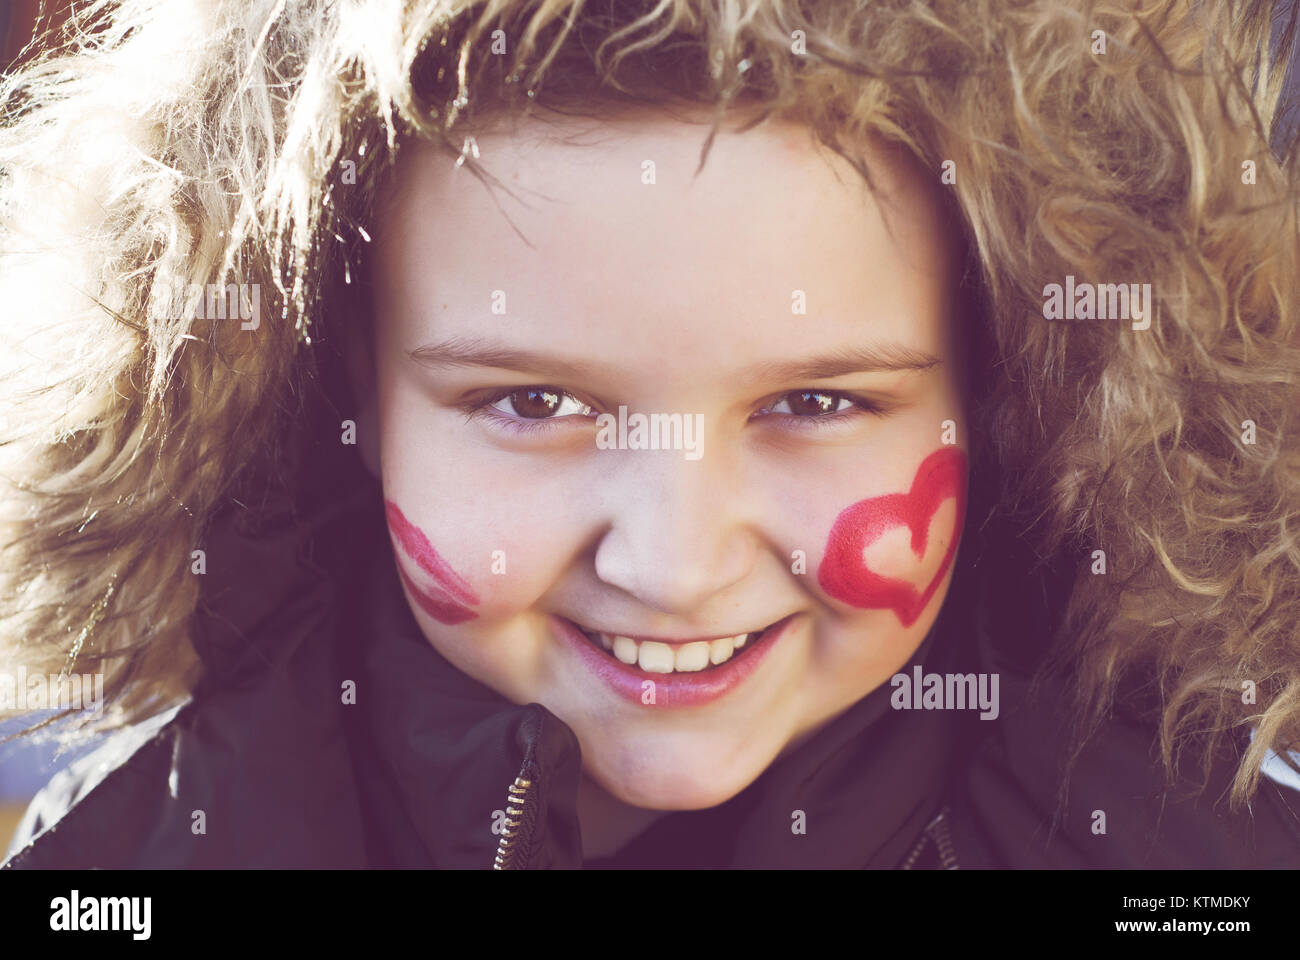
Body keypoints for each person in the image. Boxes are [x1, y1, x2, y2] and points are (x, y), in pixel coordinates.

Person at [1, 0, 1297, 870]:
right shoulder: (137, 855)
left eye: (815, 403)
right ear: (353, 398)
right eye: (533, 403)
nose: (674, 568)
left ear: (1012, 397)